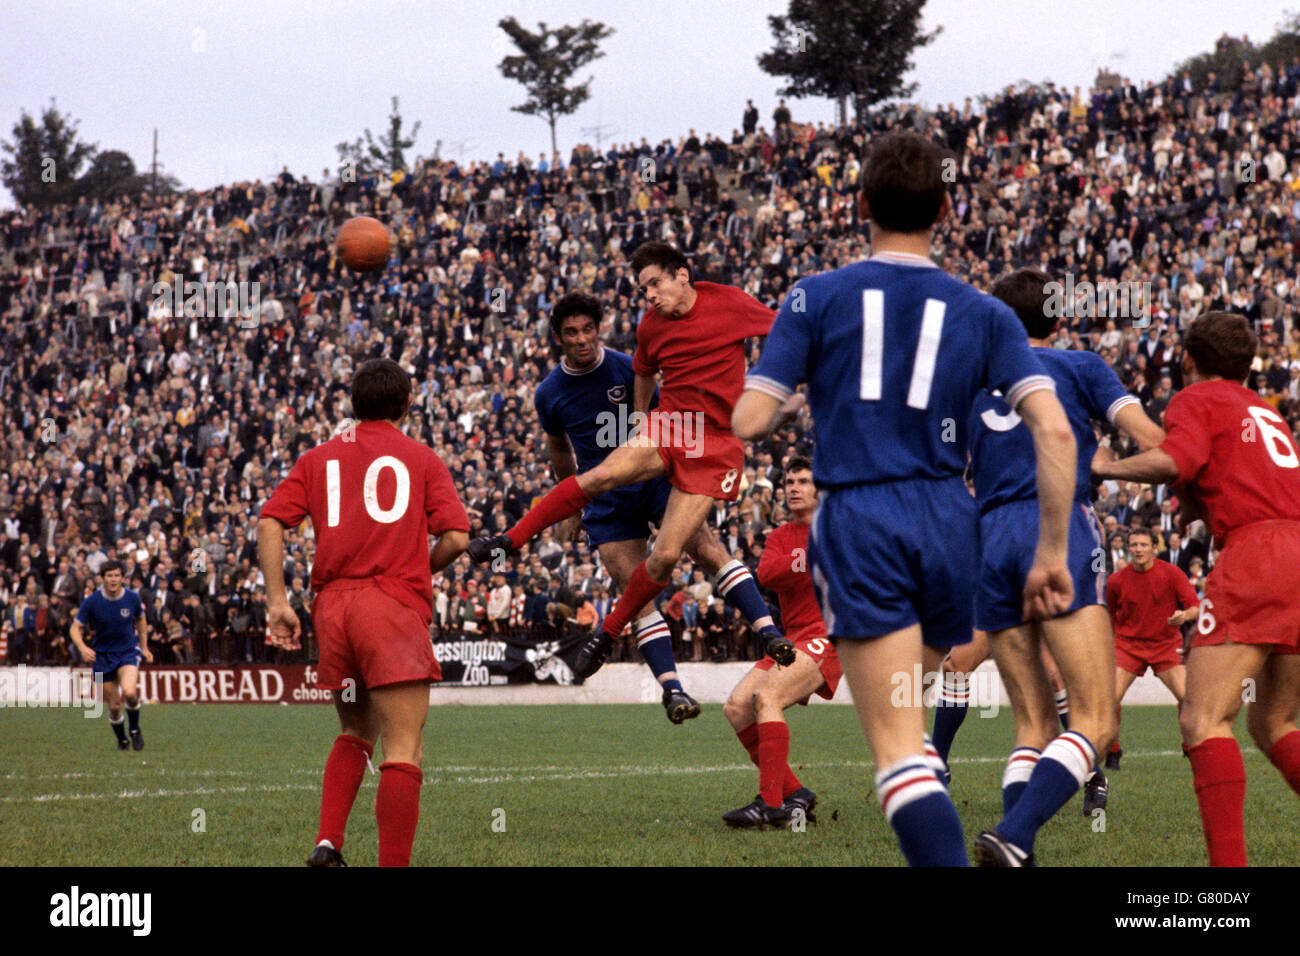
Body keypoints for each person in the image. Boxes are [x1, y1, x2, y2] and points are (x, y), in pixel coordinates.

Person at [733, 131, 1078, 867]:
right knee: (910, 720)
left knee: (895, 747)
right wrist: (1051, 550)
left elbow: (750, 419)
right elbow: (1055, 430)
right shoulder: (987, 312)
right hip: (954, 518)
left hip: (862, 515)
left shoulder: (815, 294)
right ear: (947, 208)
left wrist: (800, 405)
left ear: (860, 205)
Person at [467, 245, 797, 682]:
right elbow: (644, 372)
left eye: (655, 284)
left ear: (683, 275)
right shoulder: (645, 329)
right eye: (643, 289)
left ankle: (610, 636)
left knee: (667, 557)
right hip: (671, 426)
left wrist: (781, 392)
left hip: (714, 443)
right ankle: (508, 540)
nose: (650, 296)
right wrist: (643, 422)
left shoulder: (730, 302)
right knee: (600, 475)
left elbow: (790, 331)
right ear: (558, 338)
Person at [964, 267, 1166, 865]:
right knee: (1096, 719)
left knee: (1031, 722)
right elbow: (1154, 443)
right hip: (1055, 526)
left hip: (988, 535)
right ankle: (1015, 835)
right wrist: (1106, 466)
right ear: (1058, 316)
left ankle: (1010, 842)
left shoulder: (974, 382)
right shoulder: (1079, 367)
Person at [1094, 311, 1300, 866]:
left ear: (1187, 359)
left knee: (1202, 720)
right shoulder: (1266, 410)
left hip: (1256, 554)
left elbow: (1174, 460)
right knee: (1274, 721)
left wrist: (1108, 467)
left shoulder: (1197, 399)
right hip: (1297, 551)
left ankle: (1227, 884)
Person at [531, 293, 786, 721]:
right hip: (604, 501)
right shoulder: (549, 393)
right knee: (634, 591)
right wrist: (569, 503)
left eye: (588, 329)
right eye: (571, 332)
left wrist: (691, 466)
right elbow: (559, 449)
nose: (582, 339)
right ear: (558, 338)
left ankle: (769, 632)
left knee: (705, 547)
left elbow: (672, 411)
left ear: (599, 329)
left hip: (653, 478)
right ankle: (673, 690)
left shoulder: (628, 367)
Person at [258, 358, 470, 868]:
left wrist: (278, 601)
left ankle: (328, 842)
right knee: (404, 747)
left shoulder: (319, 458)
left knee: (356, 731)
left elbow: (270, 521)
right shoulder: (419, 458)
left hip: (333, 610)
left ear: (354, 404)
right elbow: (458, 537)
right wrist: (418, 567)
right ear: (407, 403)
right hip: (390, 607)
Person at [721, 457, 841, 827]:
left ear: (819, 489)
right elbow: (768, 574)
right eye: (789, 481)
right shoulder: (780, 536)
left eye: (803, 481)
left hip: (830, 637)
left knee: (766, 697)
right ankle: (795, 792)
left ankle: (770, 803)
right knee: (737, 707)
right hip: (792, 639)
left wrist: (799, 562)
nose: (793, 488)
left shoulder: (838, 530)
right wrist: (808, 559)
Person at [1104, 526, 1199, 769]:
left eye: (1144, 545)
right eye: (1134, 545)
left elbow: (1196, 607)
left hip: (1166, 645)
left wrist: (1184, 615)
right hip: (1128, 645)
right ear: (1128, 547)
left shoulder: (1172, 573)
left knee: (1188, 698)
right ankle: (1113, 751)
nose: (1138, 549)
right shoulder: (1116, 581)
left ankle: (1189, 747)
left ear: (1155, 548)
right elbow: (1111, 616)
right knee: (1108, 699)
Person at [70, 561, 154, 751]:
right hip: (101, 658)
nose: (113, 579)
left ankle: (134, 729)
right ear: (102, 578)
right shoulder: (92, 601)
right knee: (114, 706)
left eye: (117, 575)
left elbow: (141, 620)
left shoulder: (132, 598)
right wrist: (83, 648)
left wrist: (145, 647)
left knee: (130, 693)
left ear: (123, 578)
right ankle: (122, 739)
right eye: (109, 576)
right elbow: (75, 628)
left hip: (128, 653)